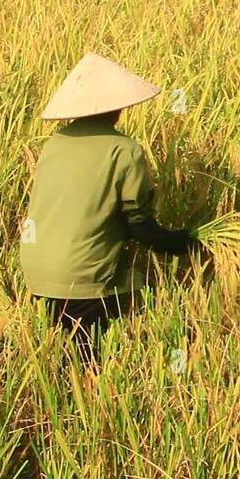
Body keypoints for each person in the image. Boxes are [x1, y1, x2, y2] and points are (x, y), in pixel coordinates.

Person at [20, 52, 198, 366]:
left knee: (63, 353)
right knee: (91, 360)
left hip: (37, 271)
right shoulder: (124, 149)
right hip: (83, 276)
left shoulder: (53, 144)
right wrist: (183, 243)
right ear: (117, 108)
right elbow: (139, 225)